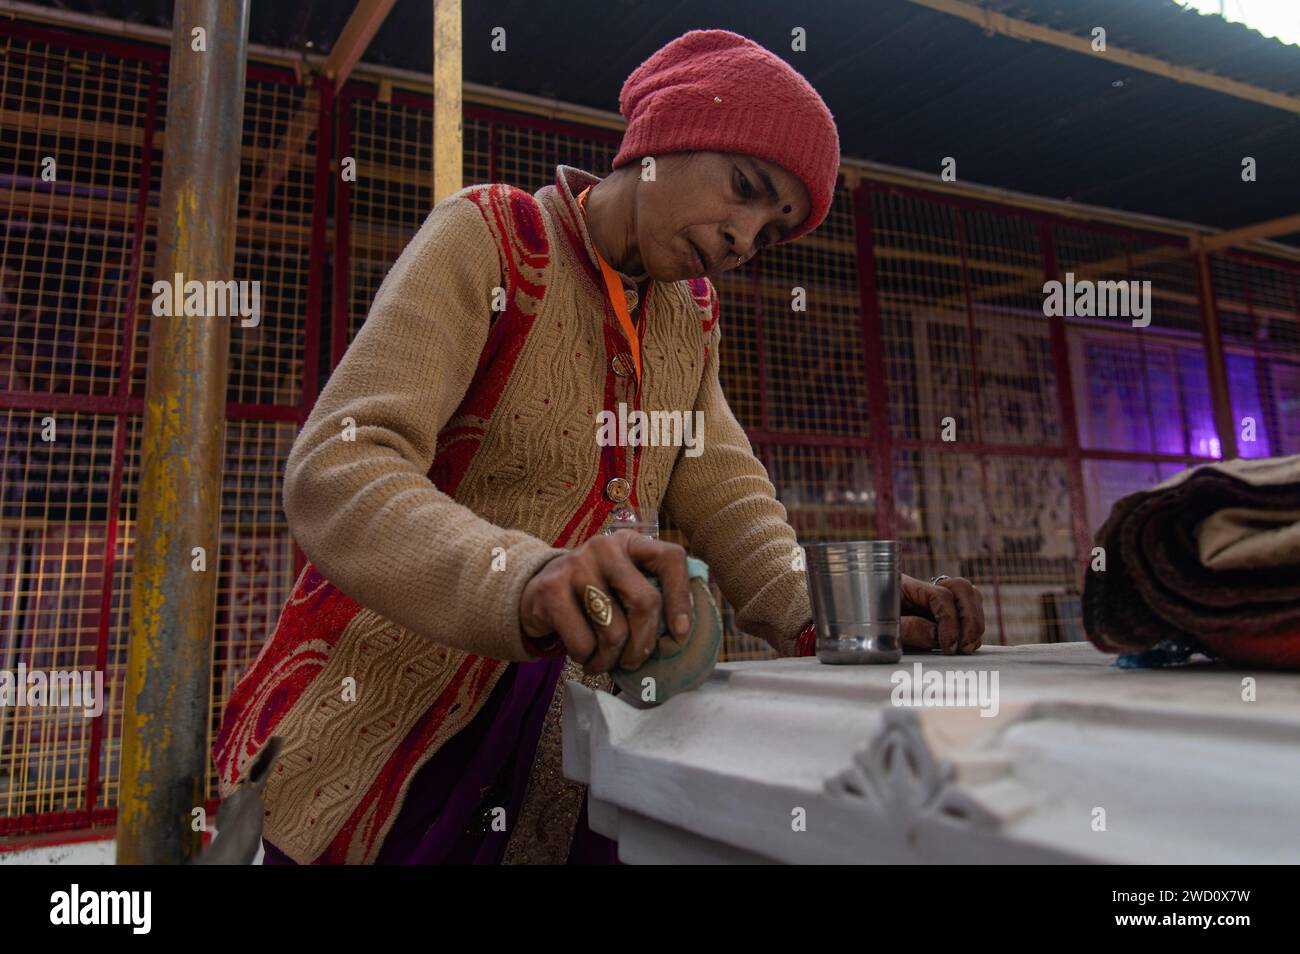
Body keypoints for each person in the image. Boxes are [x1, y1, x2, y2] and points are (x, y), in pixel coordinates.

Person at [212, 28, 984, 866]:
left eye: (771, 231)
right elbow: (340, 466)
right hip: (381, 739)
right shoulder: (491, 240)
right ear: (664, 138)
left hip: (568, 756)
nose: (743, 238)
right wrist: (527, 578)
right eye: (746, 189)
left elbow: (731, 506)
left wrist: (841, 618)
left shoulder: (690, 319)